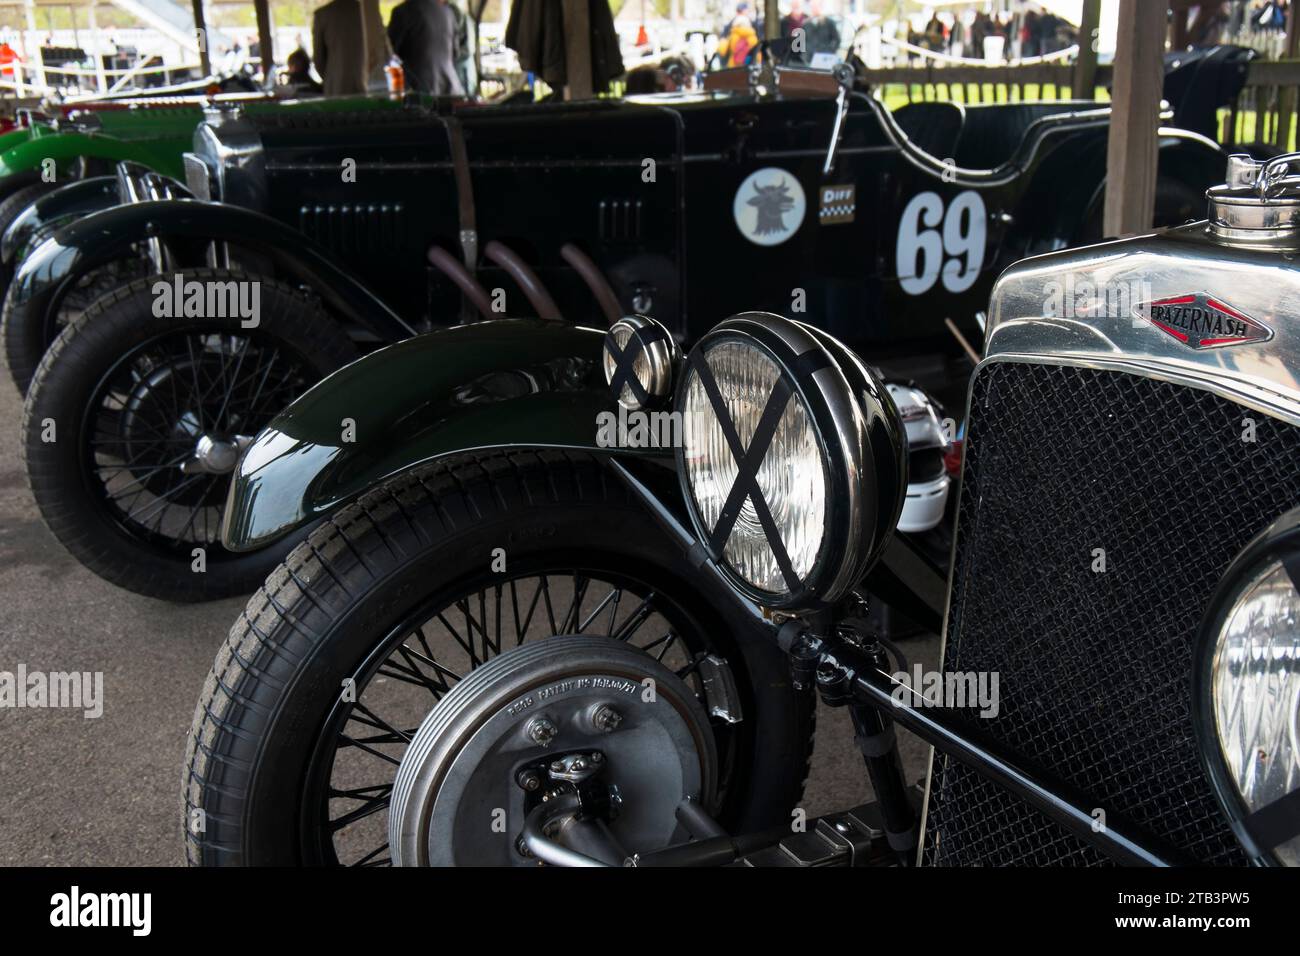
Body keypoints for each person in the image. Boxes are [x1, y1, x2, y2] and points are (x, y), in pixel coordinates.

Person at [387, 0, 463, 95]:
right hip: (450, 87)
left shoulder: (402, 11)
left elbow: (389, 52)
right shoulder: (448, 13)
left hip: (418, 89)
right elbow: (456, 53)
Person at [313, 0, 388, 95]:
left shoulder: (322, 15)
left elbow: (318, 59)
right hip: (370, 84)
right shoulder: (369, 13)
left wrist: (332, 77)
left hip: (337, 87)